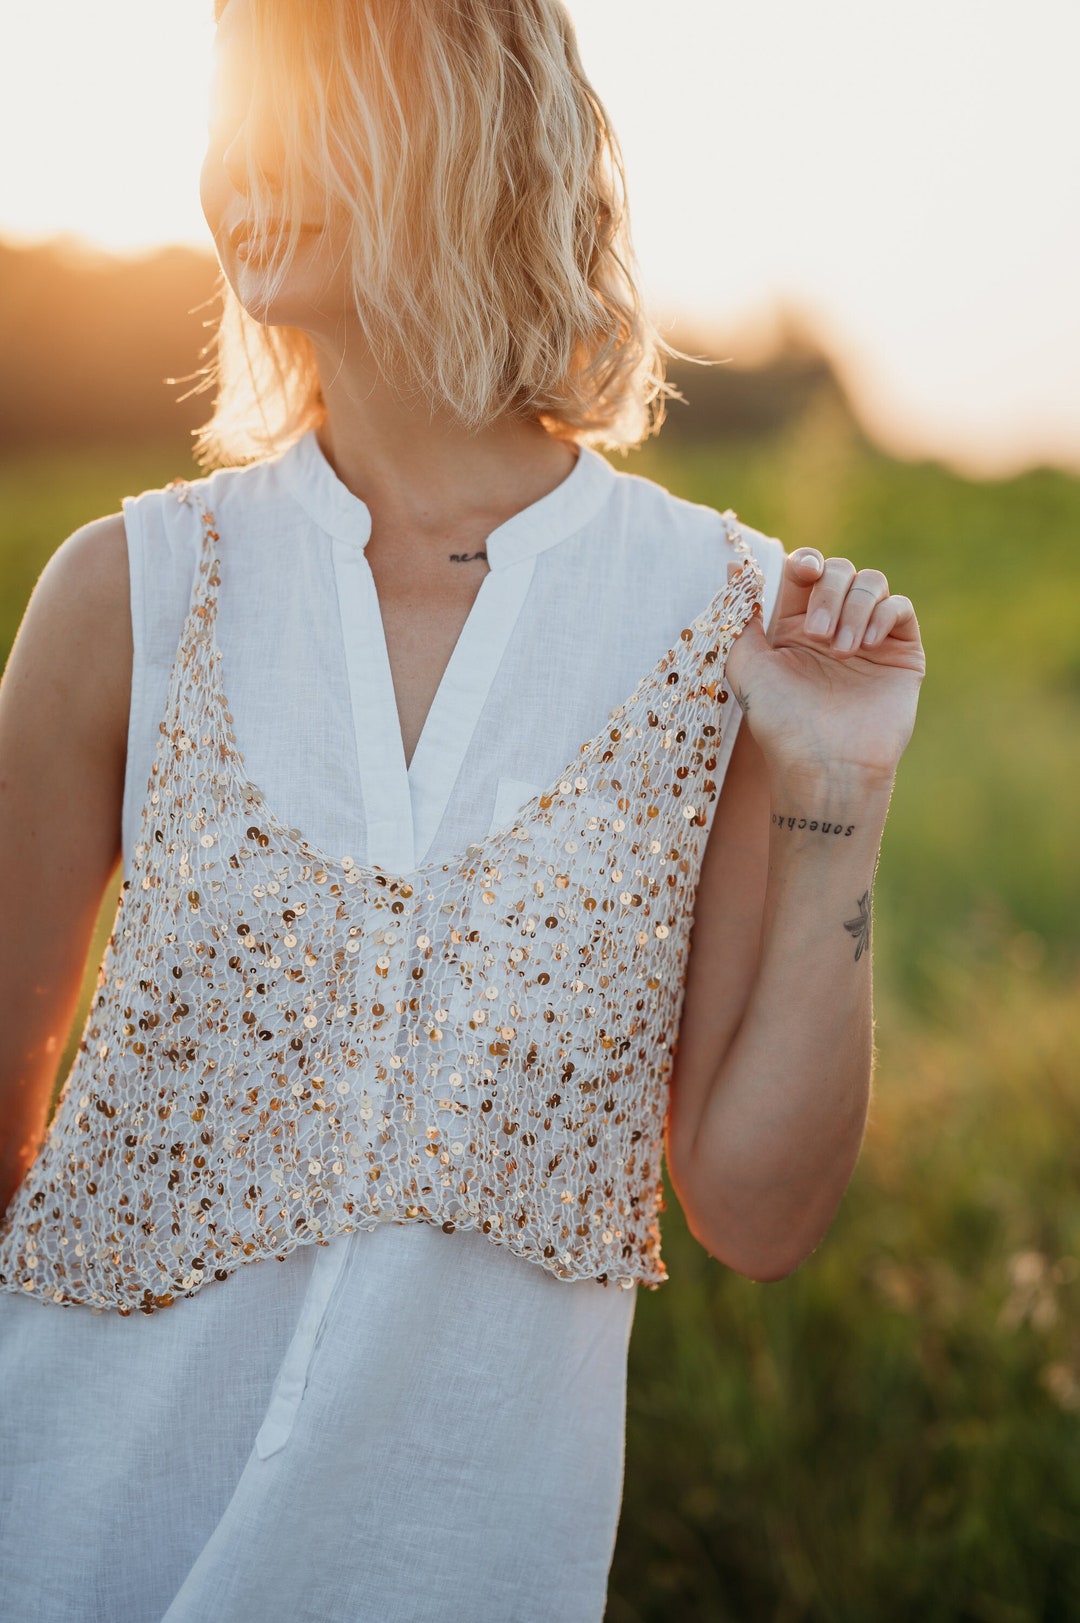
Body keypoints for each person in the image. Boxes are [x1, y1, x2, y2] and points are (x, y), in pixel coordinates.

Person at [0, 1, 925, 1618]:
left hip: (460, 1573)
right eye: (238, 115)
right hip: (74, 1546)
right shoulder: (127, 595)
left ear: (474, 136)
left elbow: (760, 1211)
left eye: (308, 110)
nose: (245, 167)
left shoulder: (717, 625)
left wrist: (836, 798)